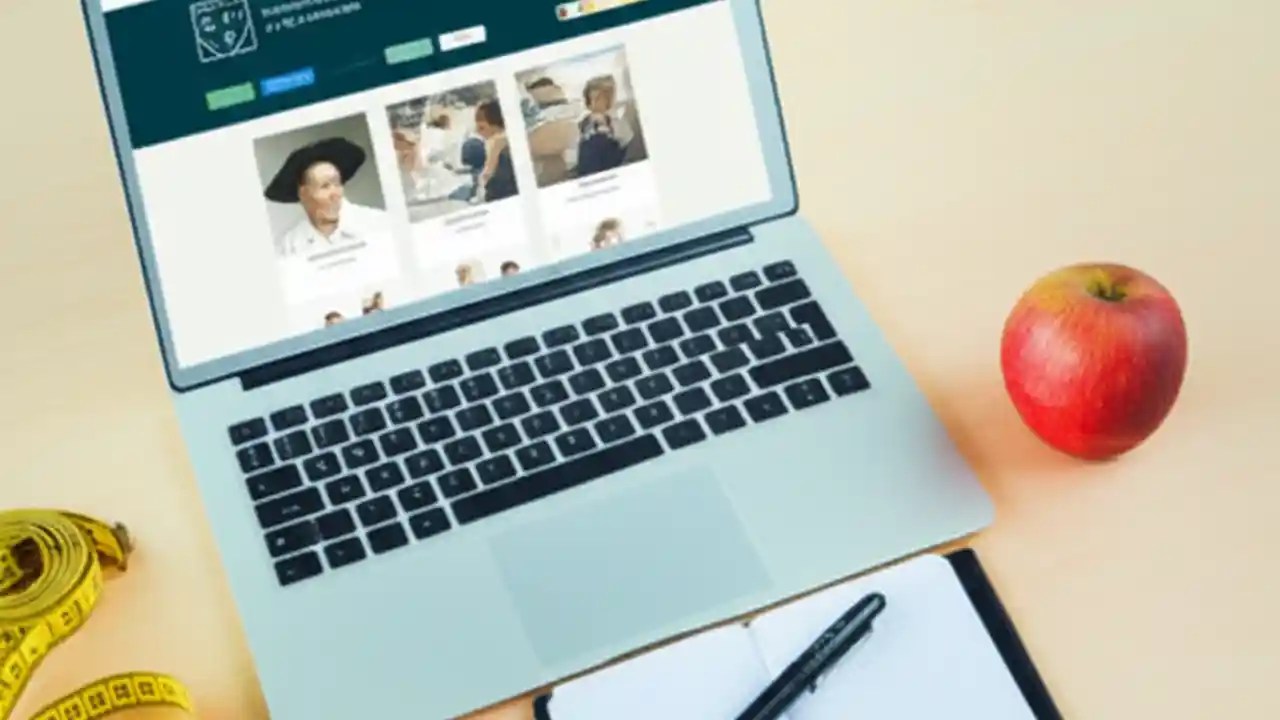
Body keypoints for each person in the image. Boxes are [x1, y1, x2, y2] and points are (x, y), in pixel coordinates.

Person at [265, 137, 389, 257]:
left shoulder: (379, 224)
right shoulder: (289, 246)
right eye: (325, 186)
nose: (335, 194)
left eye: (337, 183)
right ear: (304, 194)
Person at [575, 75, 634, 178]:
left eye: (598, 99)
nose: (593, 103)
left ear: (608, 100)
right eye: (590, 99)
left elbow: (625, 142)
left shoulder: (617, 121)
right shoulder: (583, 123)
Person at [473, 99, 518, 203]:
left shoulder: (496, 143)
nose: (477, 132)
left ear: (497, 125)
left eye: (481, 127)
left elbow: (487, 177)